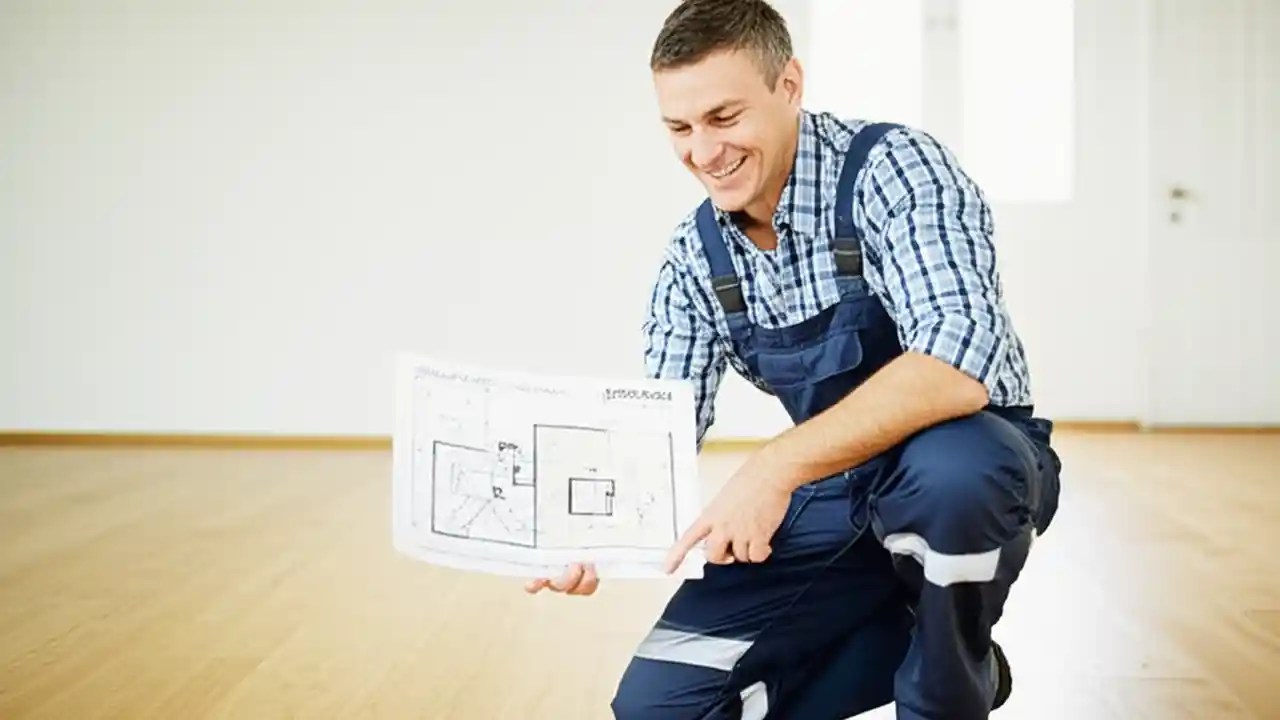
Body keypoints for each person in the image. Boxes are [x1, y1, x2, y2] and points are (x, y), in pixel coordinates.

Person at [524, 1, 1063, 717]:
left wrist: (774, 467)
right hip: (837, 489)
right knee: (659, 708)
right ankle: (928, 648)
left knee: (954, 473)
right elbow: (655, 432)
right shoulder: (696, 258)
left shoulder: (892, 170)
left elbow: (956, 364)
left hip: (966, 469)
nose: (703, 153)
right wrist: (584, 533)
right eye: (680, 128)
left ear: (789, 86)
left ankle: (948, 679)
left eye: (723, 117)